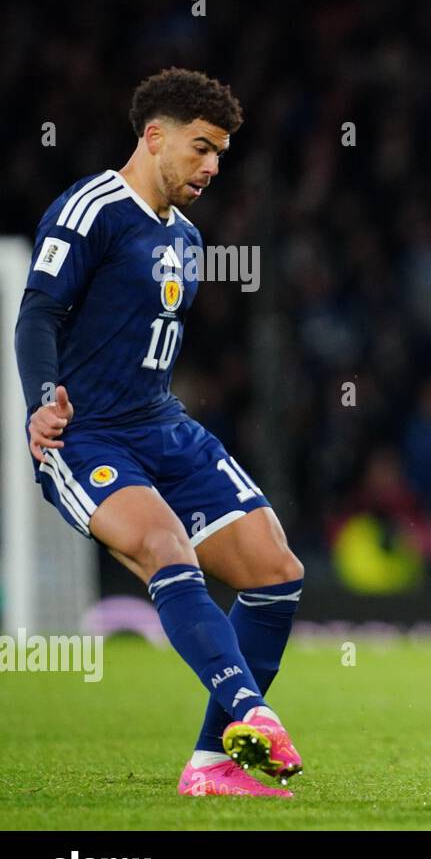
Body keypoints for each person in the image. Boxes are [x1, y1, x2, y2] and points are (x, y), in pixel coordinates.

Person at [16, 68, 305, 798]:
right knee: (164, 547)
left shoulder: (190, 239)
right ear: (154, 137)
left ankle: (211, 764)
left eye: (221, 154)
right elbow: (38, 314)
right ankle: (252, 712)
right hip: (86, 437)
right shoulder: (93, 209)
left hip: (163, 425)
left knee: (276, 573)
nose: (212, 166)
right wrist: (41, 401)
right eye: (202, 148)